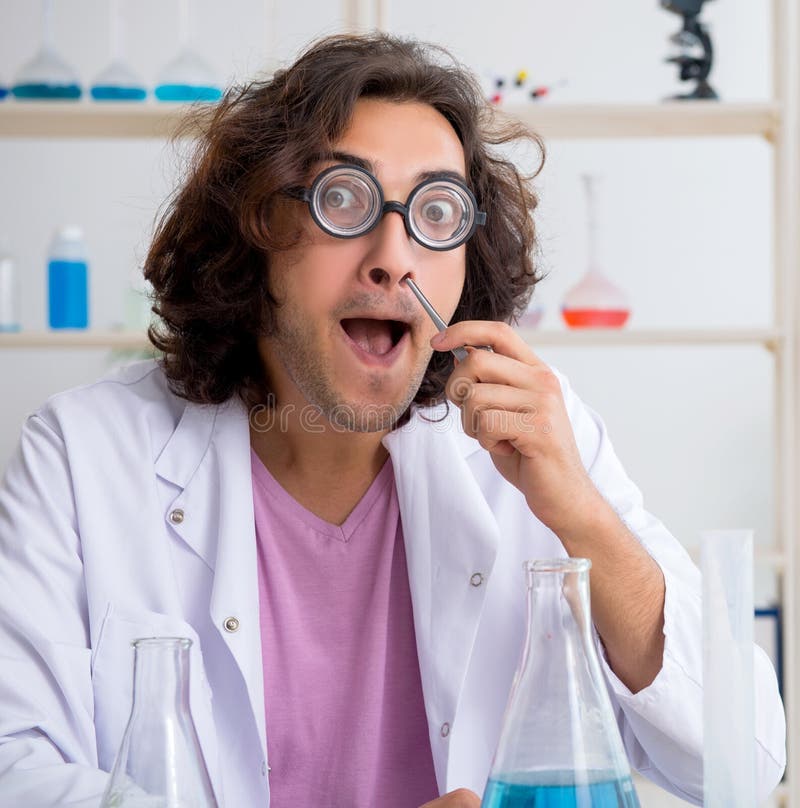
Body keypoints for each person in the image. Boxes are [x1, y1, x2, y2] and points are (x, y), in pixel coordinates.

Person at [0, 32, 785, 808]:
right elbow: (14, 765)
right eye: (343, 198)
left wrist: (580, 513)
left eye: (437, 212)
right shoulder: (84, 451)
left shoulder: (539, 443)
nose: (394, 255)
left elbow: (743, 760)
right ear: (257, 232)